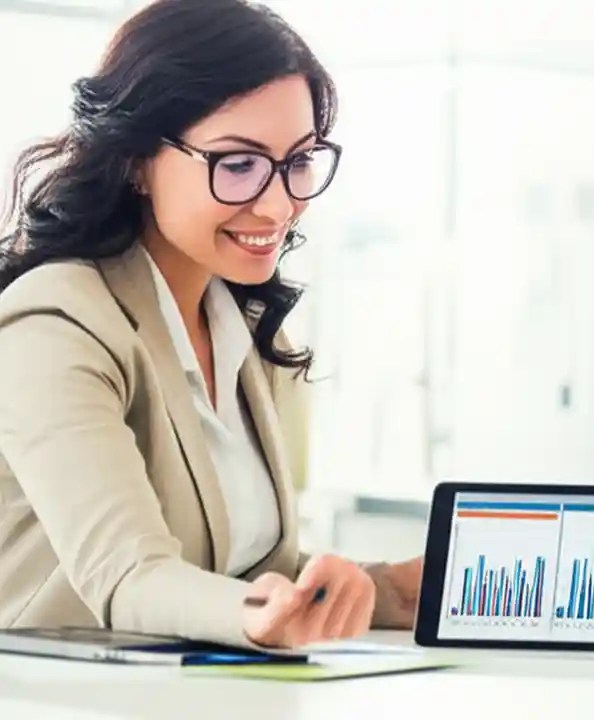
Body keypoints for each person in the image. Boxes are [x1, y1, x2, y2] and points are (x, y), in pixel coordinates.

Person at [0, 0, 421, 649]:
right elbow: (131, 576)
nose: (280, 203)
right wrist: (258, 616)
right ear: (138, 159)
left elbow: (241, 568)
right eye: (238, 164)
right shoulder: (55, 324)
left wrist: (385, 591)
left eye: (298, 161)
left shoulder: (246, 329)